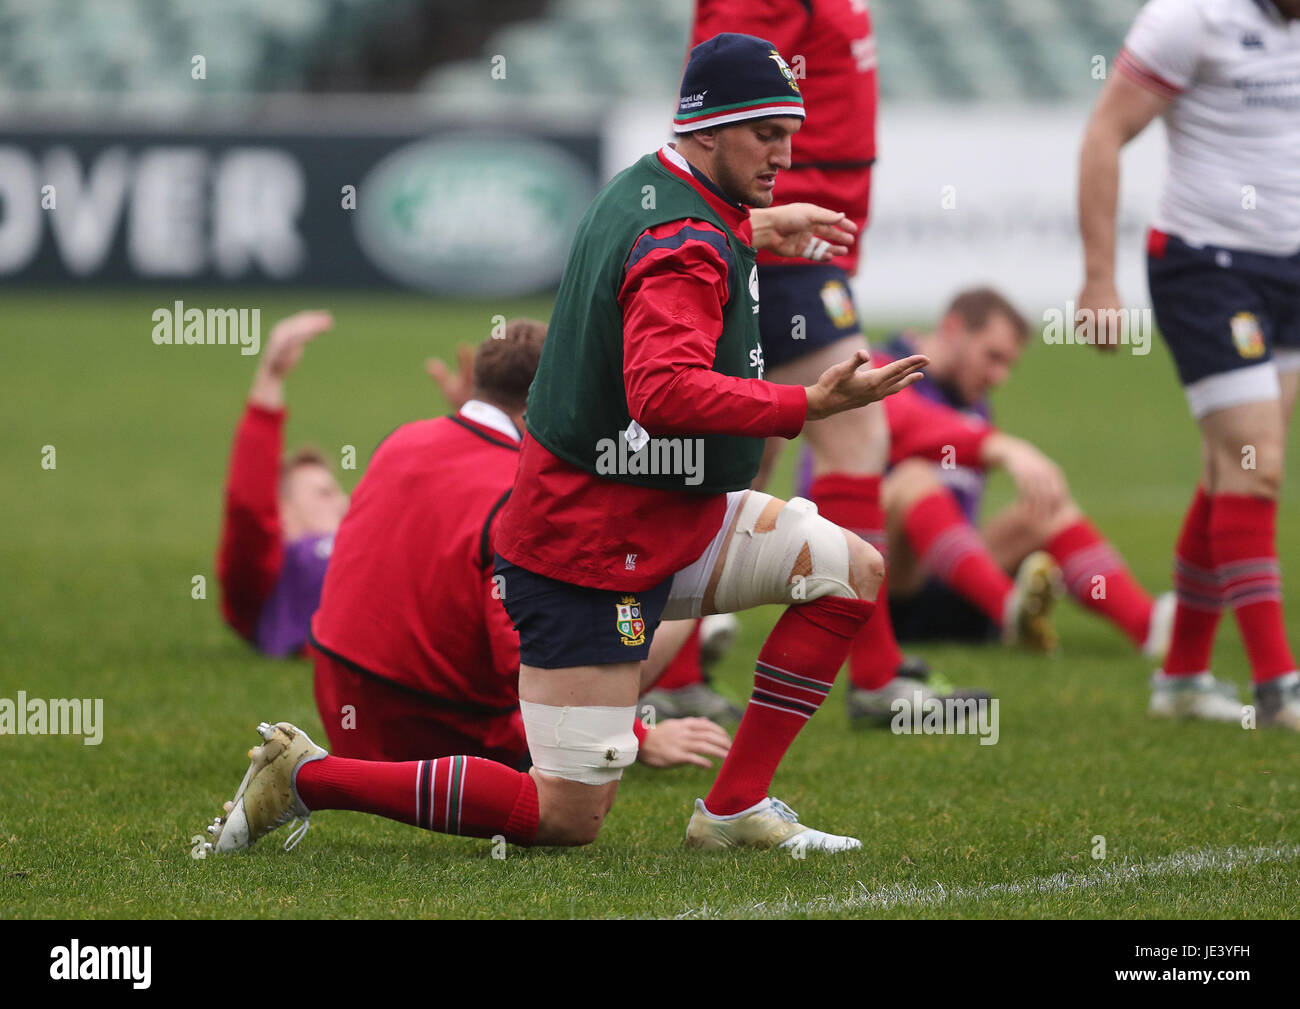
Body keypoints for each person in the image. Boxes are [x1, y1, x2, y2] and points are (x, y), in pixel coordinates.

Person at [201, 33, 928, 856]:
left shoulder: (651, 190)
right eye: (766, 131)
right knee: (563, 817)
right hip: (589, 551)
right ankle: (303, 775)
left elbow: (666, 250)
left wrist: (757, 226)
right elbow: (662, 392)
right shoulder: (685, 241)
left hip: (672, 514)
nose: (785, 151)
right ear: (709, 127)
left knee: (847, 571)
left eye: (790, 131)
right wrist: (808, 400)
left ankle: (731, 810)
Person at [690, 0, 984, 720]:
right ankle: (877, 678)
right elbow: (722, 104)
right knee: (851, 437)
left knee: (738, 455)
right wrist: (752, 221)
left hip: (805, 233)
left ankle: (673, 676)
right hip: (790, 236)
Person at [1076, 0, 1300, 725]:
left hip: (1289, 271)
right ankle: (1277, 688)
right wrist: (1099, 277)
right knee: (1257, 463)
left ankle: (1181, 678)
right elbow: (1106, 132)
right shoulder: (1189, 16)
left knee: (1231, 469)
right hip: (1207, 266)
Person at [808, 290, 1175, 724]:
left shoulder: (973, 401)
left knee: (1044, 506)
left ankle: (1150, 627)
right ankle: (1009, 608)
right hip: (876, 593)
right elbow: (901, 425)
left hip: (948, 583)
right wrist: (1000, 445)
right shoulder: (879, 369)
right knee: (912, 481)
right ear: (953, 330)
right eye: (993, 356)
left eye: (1008, 365)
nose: (999, 375)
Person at [215, 310, 347, 657]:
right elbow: (249, 505)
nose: (344, 502)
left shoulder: (374, 545)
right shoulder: (271, 579)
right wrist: (270, 378)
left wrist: (483, 424)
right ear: (283, 513)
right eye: (323, 492)